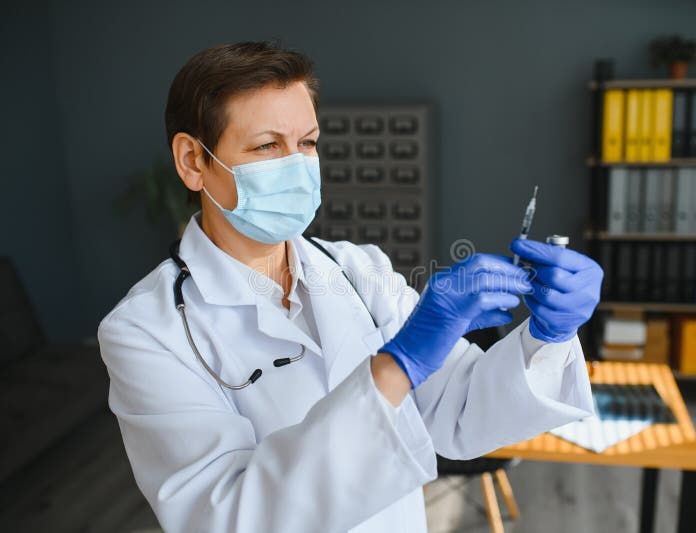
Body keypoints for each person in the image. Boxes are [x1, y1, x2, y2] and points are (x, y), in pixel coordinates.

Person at [97, 41, 603, 533]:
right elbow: (227, 518)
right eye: (268, 145)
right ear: (192, 160)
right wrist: (397, 365)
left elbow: (461, 415)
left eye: (307, 143)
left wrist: (548, 336)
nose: (296, 165)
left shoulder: (359, 269)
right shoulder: (146, 331)